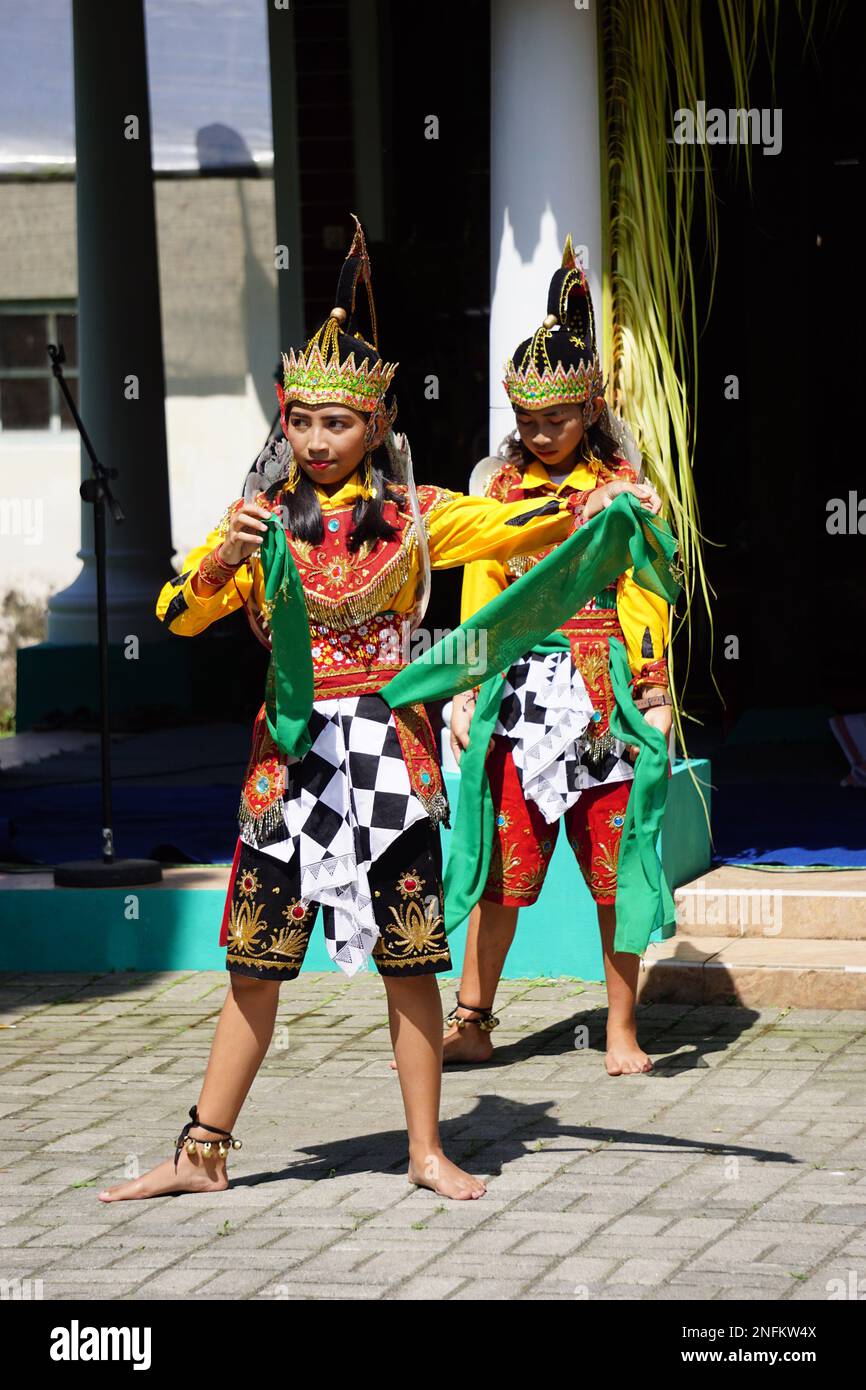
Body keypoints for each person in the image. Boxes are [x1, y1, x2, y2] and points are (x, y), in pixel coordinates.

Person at [97, 219, 637, 1205]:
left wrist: (594, 507)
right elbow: (177, 613)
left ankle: (426, 1150)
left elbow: (520, 516)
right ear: (284, 417)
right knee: (254, 965)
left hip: (389, 756)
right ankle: (201, 1151)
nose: (316, 439)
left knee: (408, 962)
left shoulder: (420, 512)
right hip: (289, 765)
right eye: (301, 420)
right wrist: (219, 559)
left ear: (378, 417)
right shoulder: (256, 521)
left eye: (336, 423)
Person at [443, 237, 671, 1078]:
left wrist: (652, 687)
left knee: (616, 871)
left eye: (557, 419)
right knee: (503, 870)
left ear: (593, 407)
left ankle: (620, 1028)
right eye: (526, 421)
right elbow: (481, 597)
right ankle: (471, 1020)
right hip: (520, 694)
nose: (539, 435)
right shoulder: (492, 486)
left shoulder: (625, 486)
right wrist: (464, 685)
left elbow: (644, 592)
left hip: (603, 691)